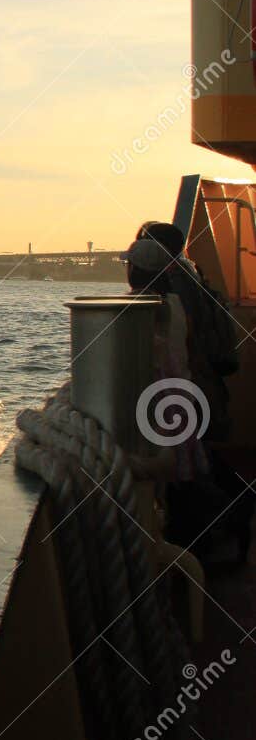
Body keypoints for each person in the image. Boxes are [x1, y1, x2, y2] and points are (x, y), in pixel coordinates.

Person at [126, 222, 251, 564]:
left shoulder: (165, 299)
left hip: (184, 397)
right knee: (194, 466)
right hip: (196, 392)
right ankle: (224, 521)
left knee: (187, 477)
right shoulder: (188, 279)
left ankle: (219, 527)